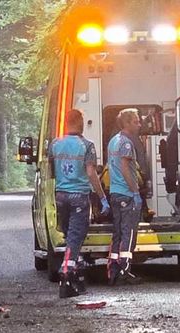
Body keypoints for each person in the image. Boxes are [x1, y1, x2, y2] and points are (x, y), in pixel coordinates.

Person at [50, 109, 110, 298]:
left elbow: (52, 170)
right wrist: (102, 198)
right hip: (79, 197)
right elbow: (91, 174)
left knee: (70, 237)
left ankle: (74, 272)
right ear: (79, 121)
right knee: (76, 238)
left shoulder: (55, 144)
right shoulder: (87, 145)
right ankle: (67, 276)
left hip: (60, 196)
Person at [106, 108, 145, 285]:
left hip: (115, 192)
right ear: (127, 123)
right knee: (128, 233)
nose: (139, 124)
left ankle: (114, 268)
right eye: (136, 121)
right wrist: (135, 192)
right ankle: (125, 269)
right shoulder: (127, 144)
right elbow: (125, 169)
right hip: (126, 193)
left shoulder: (113, 141)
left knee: (118, 233)